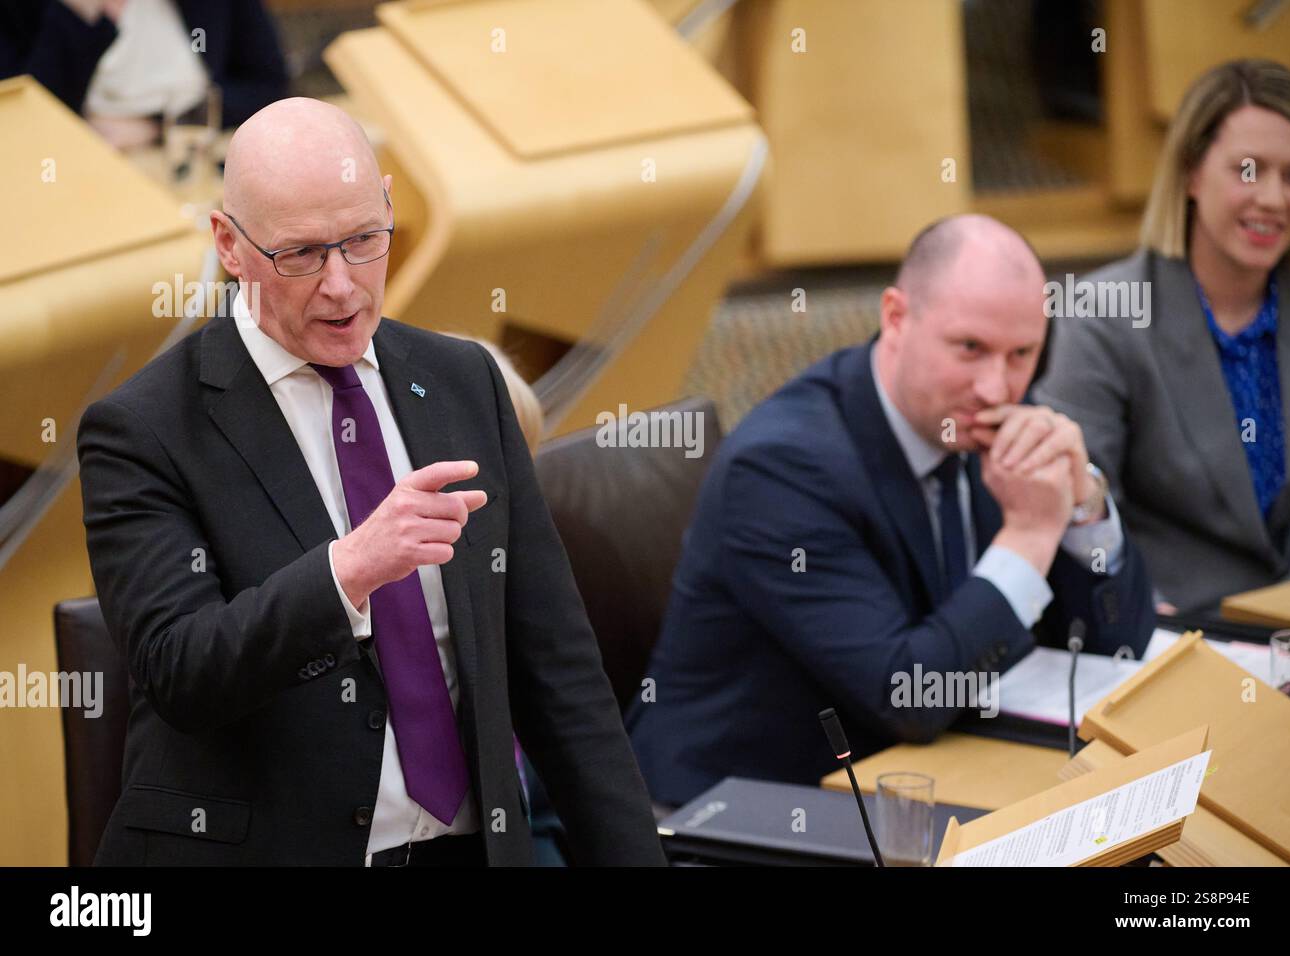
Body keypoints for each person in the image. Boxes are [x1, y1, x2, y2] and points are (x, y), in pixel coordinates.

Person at [77, 97, 664, 866]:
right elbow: (181, 670)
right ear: (228, 243)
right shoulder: (145, 429)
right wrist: (346, 571)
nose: (342, 286)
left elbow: (559, 675)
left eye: (363, 241)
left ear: (390, 208)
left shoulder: (464, 384)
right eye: (300, 255)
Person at [626, 214, 1155, 808]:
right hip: (743, 810)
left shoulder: (993, 413)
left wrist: (1083, 508)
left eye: (1022, 353)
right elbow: (911, 695)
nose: (996, 387)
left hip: (923, 774)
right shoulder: (782, 467)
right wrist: (1031, 533)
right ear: (897, 317)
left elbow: (1120, 647)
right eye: (970, 348)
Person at [1034, 59, 1290, 613]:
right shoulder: (1103, 315)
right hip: (1173, 636)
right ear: (1191, 173)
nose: (1274, 198)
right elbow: (1077, 511)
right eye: (1249, 170)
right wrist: (1137, 609)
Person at [0, 0, 287, 148]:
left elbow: (268, 87)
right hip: (78, 171)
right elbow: (23, 125)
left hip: (194, 159)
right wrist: (79, 15)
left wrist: (155, 126)